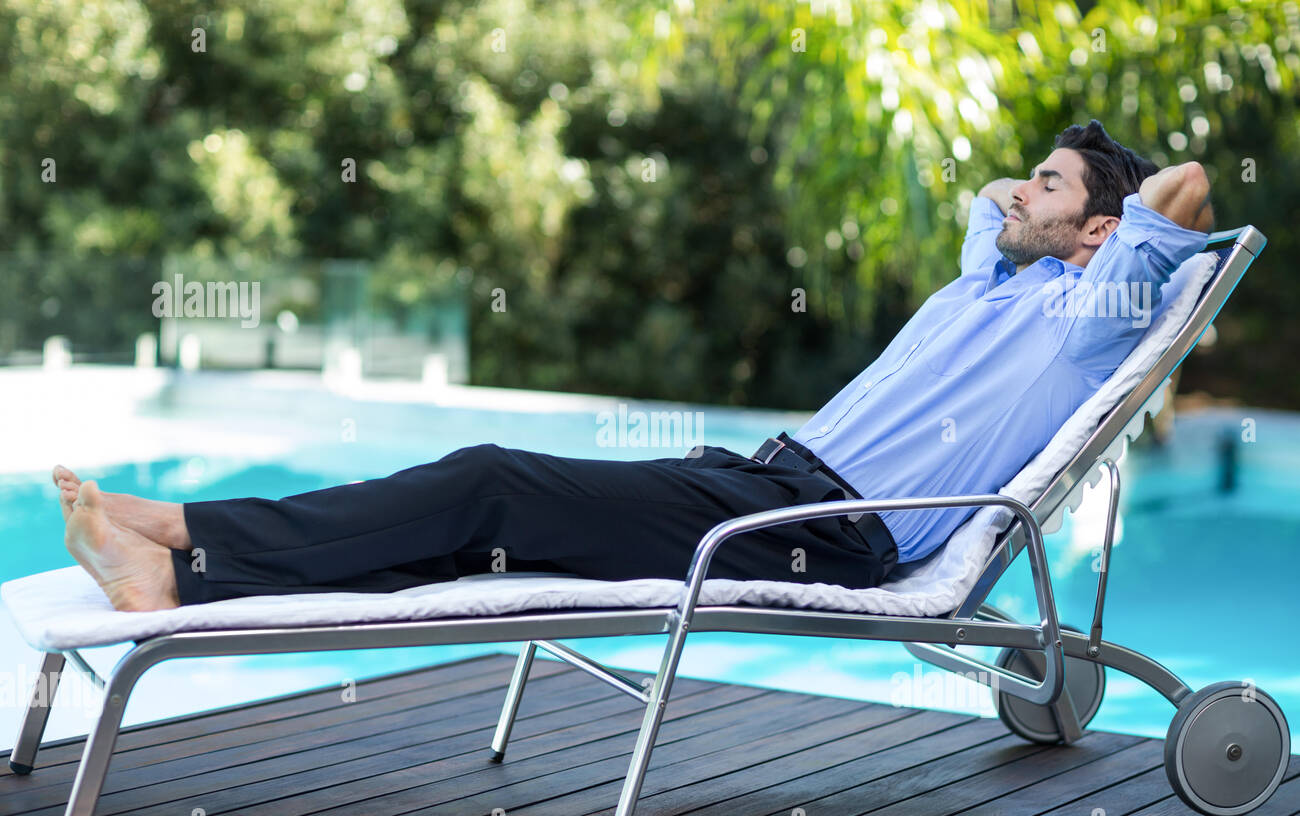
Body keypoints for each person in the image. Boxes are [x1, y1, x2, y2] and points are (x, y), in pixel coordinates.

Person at [55, 120, 1214, 612]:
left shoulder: (1086, 315)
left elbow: (1189, 188)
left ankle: (179, 528)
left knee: (491, 481)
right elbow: (989, 208)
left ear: (1103, 233)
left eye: (1048, 183)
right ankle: (188, 577)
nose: (1018, 188)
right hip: (770, 483)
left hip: (835, 526)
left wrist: (1094, 208)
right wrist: (1035, 199)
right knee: (480, 525)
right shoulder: (994, 280)